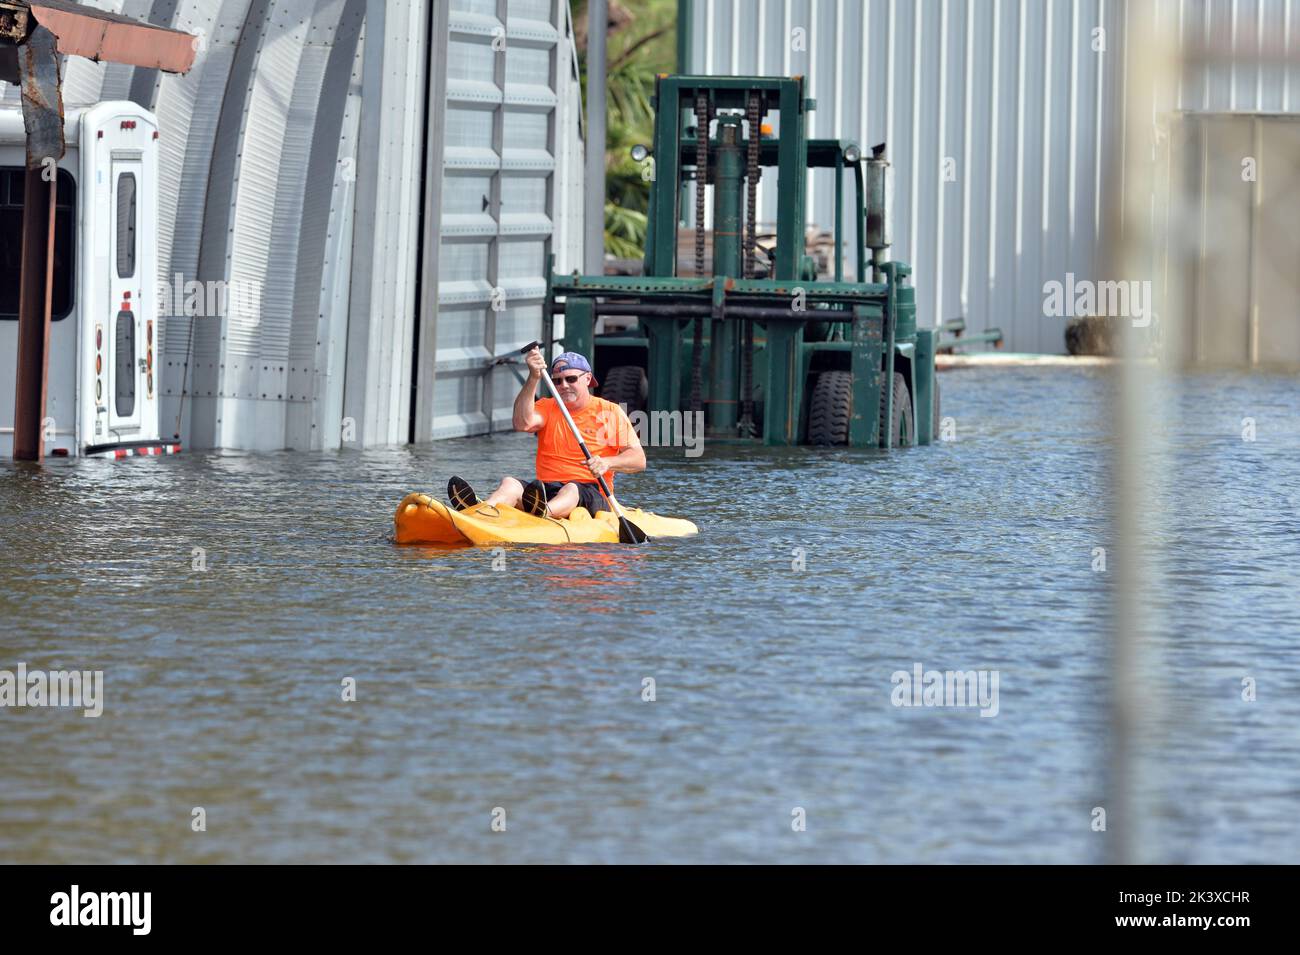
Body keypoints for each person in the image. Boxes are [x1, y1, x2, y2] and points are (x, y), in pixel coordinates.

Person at [446, 347, 645, 519]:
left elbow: (638, 460)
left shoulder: (609, 411)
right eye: (557, 381)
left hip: (592, 492)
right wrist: (533, 377)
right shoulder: (548, 407)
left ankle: (543, 513)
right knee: (510, 483)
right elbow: (522, 423)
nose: (564, 385)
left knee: (572, 488)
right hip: (546, 490)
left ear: (587, 379)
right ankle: (483, 511)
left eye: (571, 379)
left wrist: (607, 462)